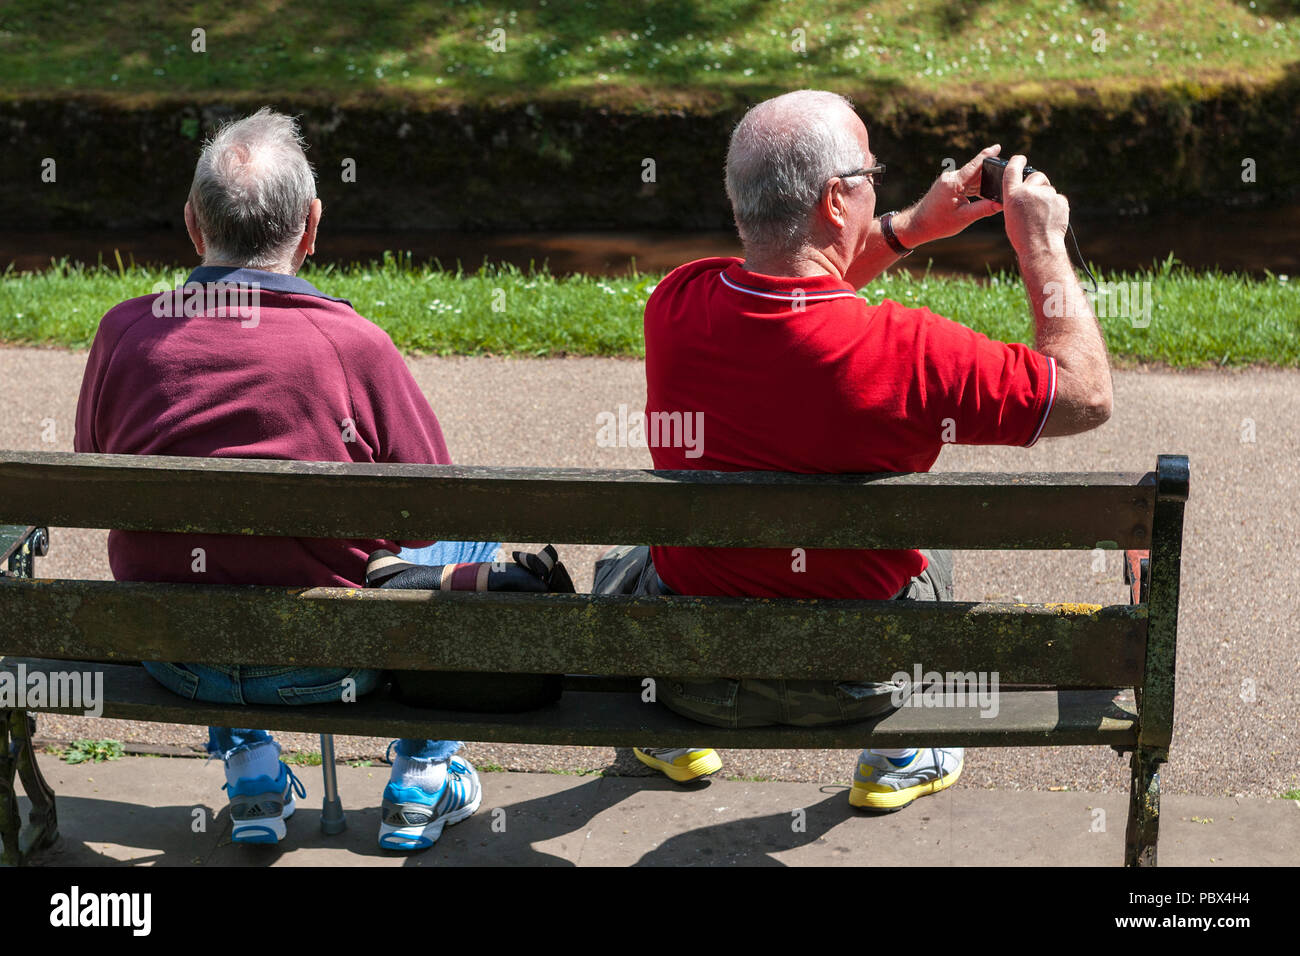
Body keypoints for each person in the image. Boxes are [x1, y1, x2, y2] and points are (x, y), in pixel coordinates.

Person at [596, 89, 1111, 810]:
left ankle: (673, 737)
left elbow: (797, 294)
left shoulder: (677, 306)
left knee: (630, 558)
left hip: (698, 683)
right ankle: (897, 754)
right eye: (871, 175)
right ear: (838, 201)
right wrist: (1042, 244)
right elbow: (1084, 394)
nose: (879, 189)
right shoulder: (915, 353)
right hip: (859, 689)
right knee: (928, 541)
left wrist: (909, 229)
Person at [73, 108, 492, 850]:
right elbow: (429, 511)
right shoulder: (352, 342)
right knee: (476, 520)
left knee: (204, 553)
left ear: (193, 227)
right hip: (329, 662)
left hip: (174, 656)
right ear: (312, 226)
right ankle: (423, 776)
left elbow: (88, 473)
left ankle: (252, 770)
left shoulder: (125, 332)